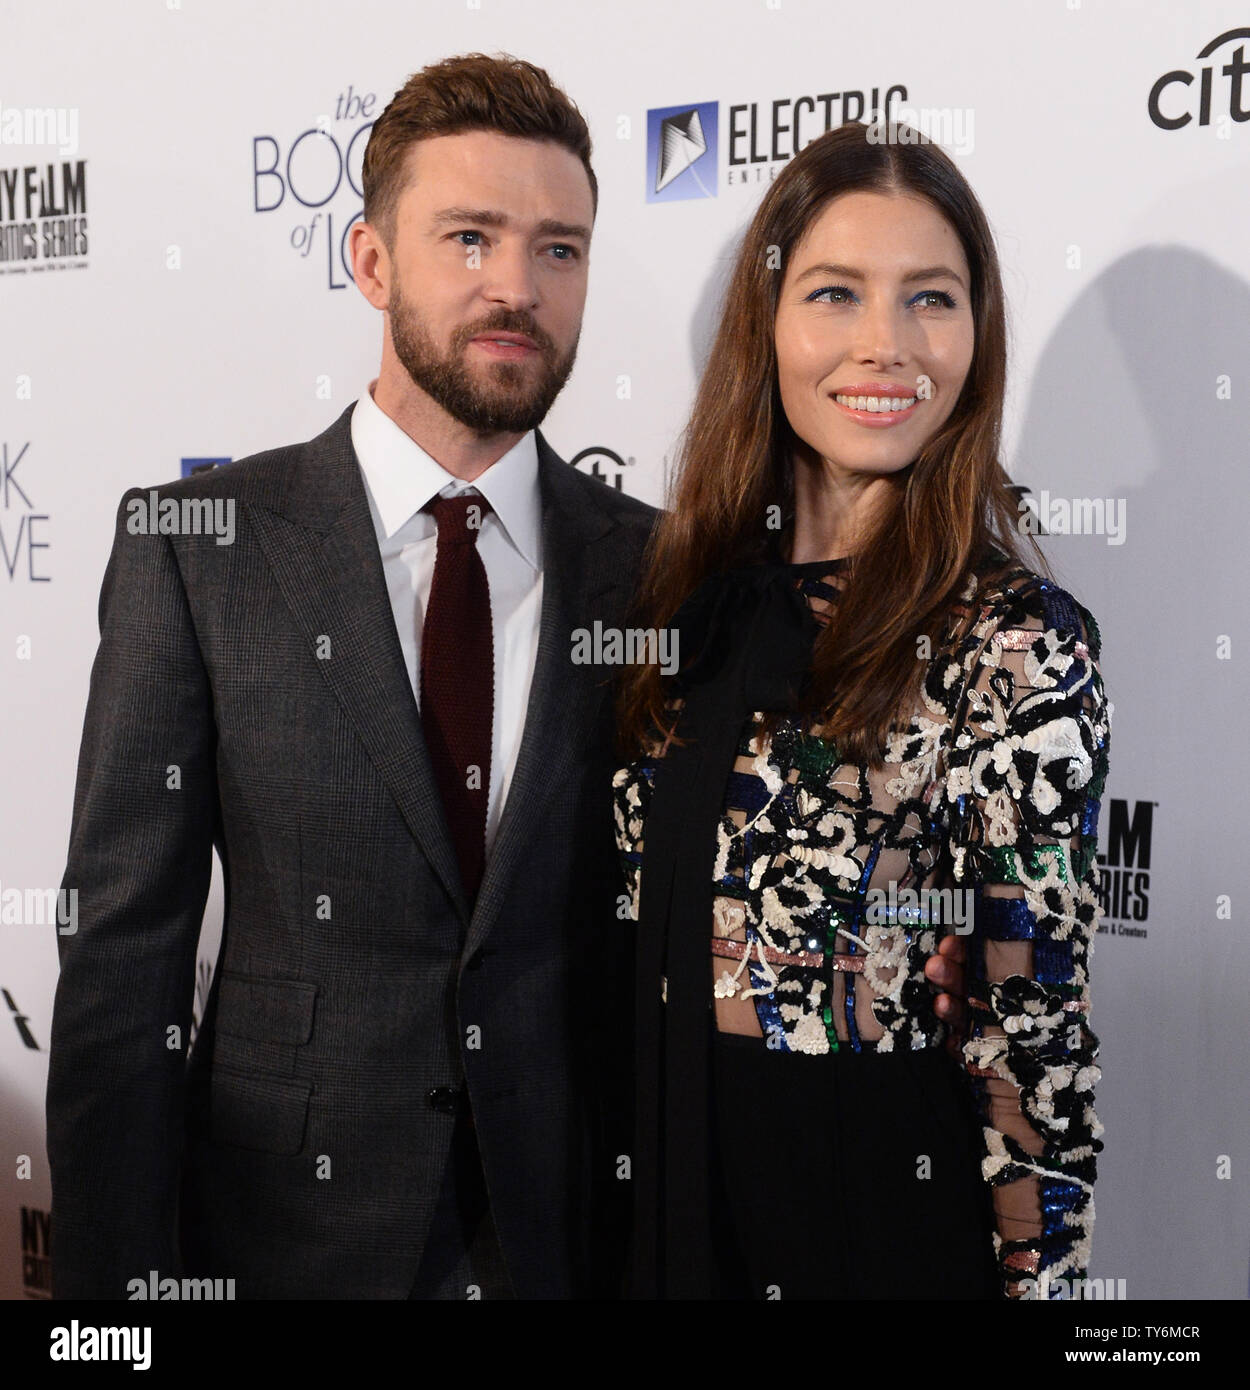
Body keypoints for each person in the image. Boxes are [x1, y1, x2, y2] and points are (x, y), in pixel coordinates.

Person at [46, 55, 969, 1301]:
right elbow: (122, 967)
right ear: (369, 262)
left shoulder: (660, 569)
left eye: (557, 251)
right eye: (467, 237)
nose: (513, 289)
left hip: (574, 1239)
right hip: (285, 1244)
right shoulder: (199, 546)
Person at [613, 119, 1111, 1301]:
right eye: (835, 294)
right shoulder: (682, 605)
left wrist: (1040, 1289)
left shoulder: (1015, 641)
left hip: (867, 1223)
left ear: (977, 336)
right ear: (767, 325)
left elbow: (1031, 1044)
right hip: (649, 1211)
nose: (886, 346)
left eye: (930, 299)